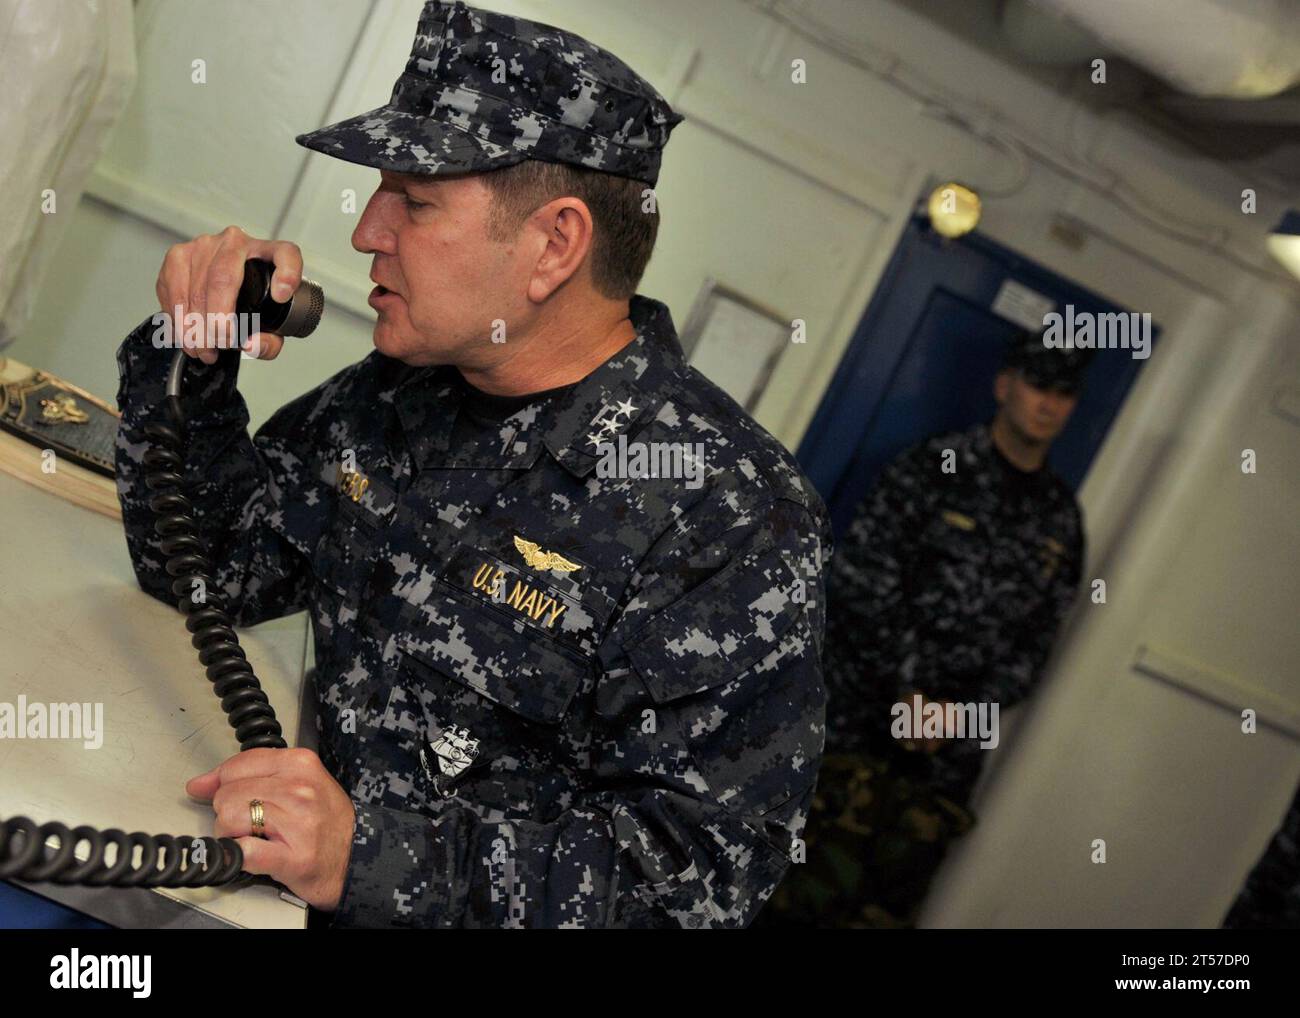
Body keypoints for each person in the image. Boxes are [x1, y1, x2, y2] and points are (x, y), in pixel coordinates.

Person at [113, 0, 831, 928]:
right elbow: (211, 568)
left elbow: (691, 886)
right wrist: (193, 354)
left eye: (414, 201)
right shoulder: (402, 392)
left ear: (554, 245)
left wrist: (365, 857)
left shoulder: (729, 515)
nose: (368, 231)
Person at [763, 329, 1089, 927]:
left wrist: (958, 714)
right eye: (1040, 384)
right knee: (787, 900)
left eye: (1066, 393)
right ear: (1005, 386)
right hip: (854, 733)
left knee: (883, 912)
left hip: (941, 767)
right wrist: (909, 690)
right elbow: (864, 581)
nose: (1050, 403)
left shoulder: (1060, 520)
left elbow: (1036, 646)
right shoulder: (932, 469)